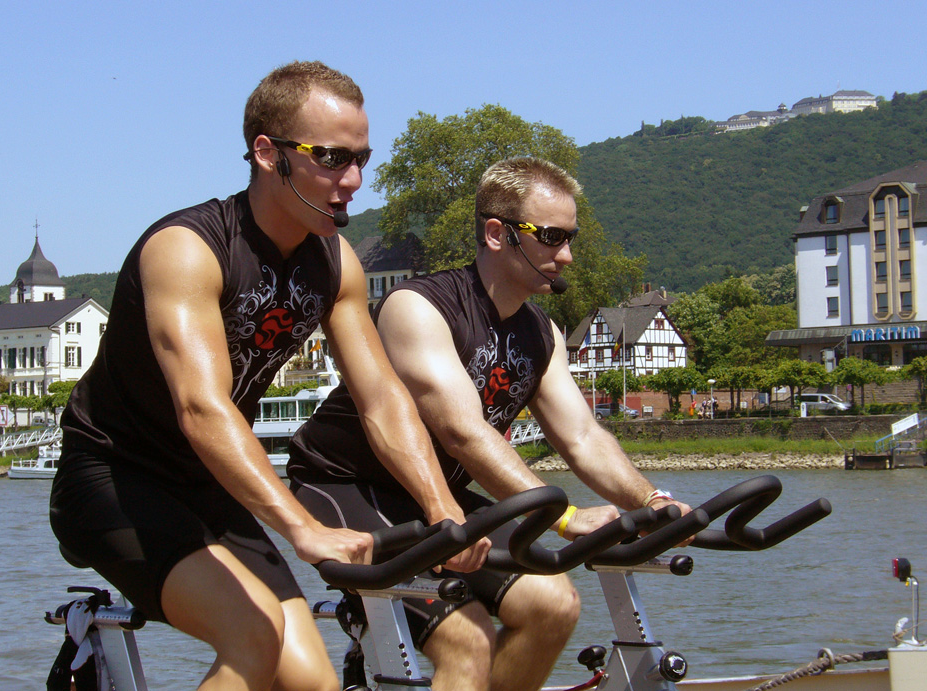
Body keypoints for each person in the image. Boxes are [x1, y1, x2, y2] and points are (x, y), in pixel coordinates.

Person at [49, 61, 485, 691]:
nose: (354, 180)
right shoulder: (187, 248)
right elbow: (202, 408)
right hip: (114, 478)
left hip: (209, 489)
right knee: (252, 637)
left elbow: (383, 399)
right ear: (266, 153)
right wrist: (303, 528)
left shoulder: (336, 263)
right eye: (332, 158)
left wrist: (441, 507)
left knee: (310, 682)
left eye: (362, 158)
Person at [287, 157, 692, 691]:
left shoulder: (541, 333)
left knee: (554, 604)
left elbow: (582, 436)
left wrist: (651, 500)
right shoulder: (420, 307)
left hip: (440, 497)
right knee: (468, 639)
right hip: (348, 484)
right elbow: (463, 431)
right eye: (550, 237)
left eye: (570, 238)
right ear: (498, 233)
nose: (565, 255)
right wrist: (565, 519)